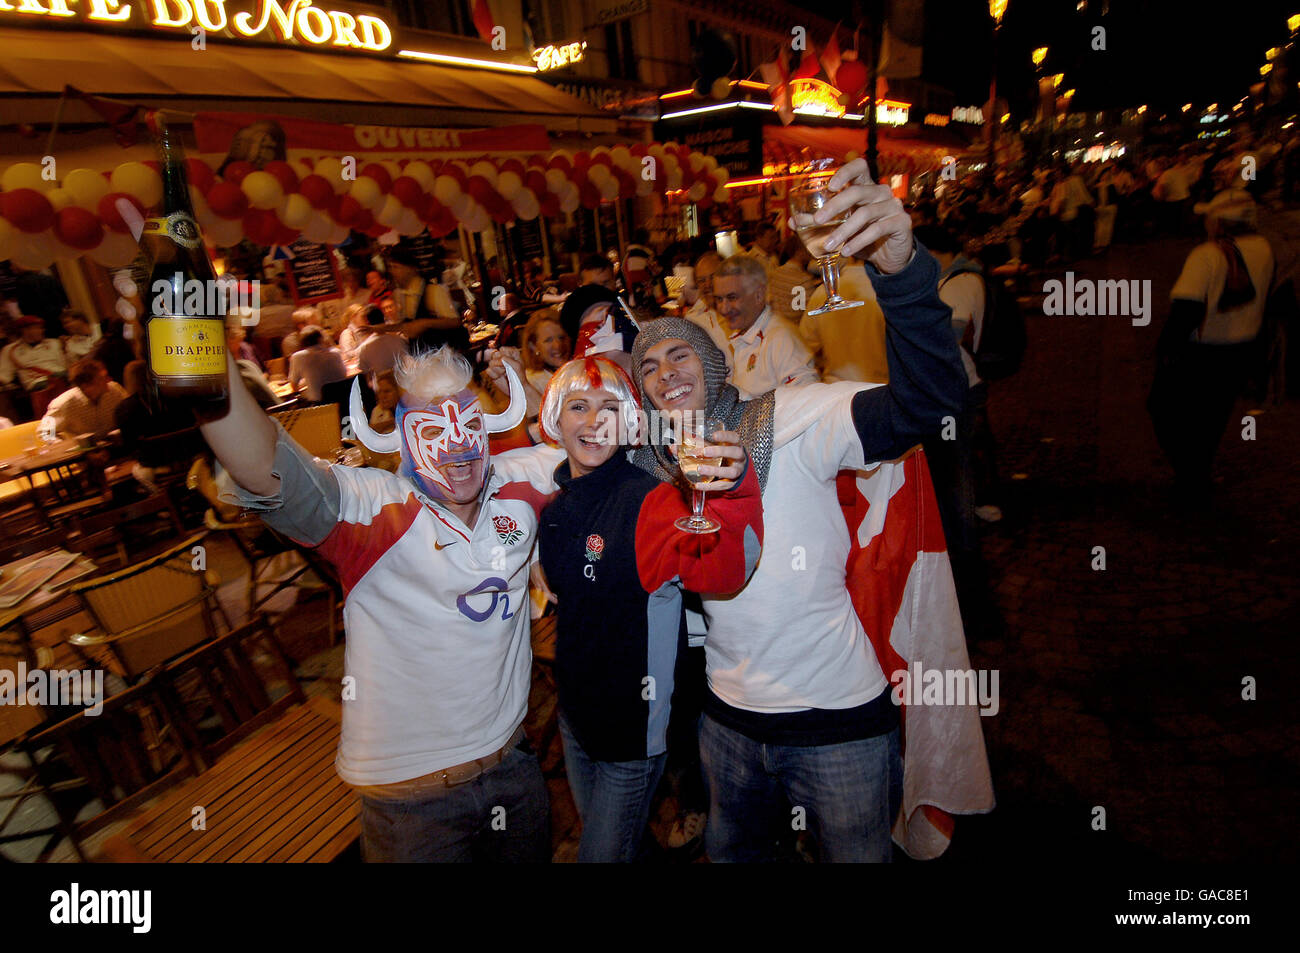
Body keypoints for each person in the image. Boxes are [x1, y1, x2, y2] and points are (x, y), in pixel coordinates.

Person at [629, 157, 976, 862]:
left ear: (716, 366)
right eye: (649, 367)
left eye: (681, 355)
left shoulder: (787, 415)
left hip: (838, 719)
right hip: (725, 725)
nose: (666, 372)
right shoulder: (655, 468)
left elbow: (927, 405)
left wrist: (902, 272)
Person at [203, 345, 554, 862]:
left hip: (513, 769)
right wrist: (203, 355)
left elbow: (601, 434)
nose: (457, 447)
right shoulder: (374, 506)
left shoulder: (517, 481)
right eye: (433, 432)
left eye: (468, 425)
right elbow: (263, 468)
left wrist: (531, 395)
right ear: (403, 442)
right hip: (413, 804)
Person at [523, 355, 761, 861]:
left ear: (629, 420)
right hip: (574, 718)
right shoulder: (557, 508)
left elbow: (724, 571)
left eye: (609, 408)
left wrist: (734, 490)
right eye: (578, 406)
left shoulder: (653, 501)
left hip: (632, 733)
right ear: (554, 420)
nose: (592, 421)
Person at [1151, 190, 1273, 500]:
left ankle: (1189, 474)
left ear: (1219, 222)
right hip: (1242, 345)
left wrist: (1166, 349)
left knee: (1164, 408)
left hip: (1204, 350)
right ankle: (1199, 473)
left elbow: (1187, 308)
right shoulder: (1263, 248)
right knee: (1214, 415)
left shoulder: (1207, 254)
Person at [711, 254, 817, 399]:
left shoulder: (781, 338)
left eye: (732, 298)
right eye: (719, 299)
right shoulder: (743, 334)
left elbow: (809, 401)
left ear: (759, 295)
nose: (724, 308)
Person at [115, 360, 205, 491]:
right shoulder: (177, 395)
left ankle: (167, 502)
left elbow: (130, 445)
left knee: (138, 472)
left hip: (155, 463)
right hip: (191, 455)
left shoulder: (124, 409)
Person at [800, 262, 889, 385]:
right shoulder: (889, 293)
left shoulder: (822, 293)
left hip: (836, 390)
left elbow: (804, 347)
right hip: (881, 388)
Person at [388, 250, 467, 355]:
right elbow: (408, 326)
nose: (392, 272)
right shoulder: (401, 295)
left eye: (396, 267)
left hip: (444, 356)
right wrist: (380, 329)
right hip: (422, 359)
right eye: (391, 267)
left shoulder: (432, 290)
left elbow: (455, 322)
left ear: (410, 269)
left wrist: (425, 323)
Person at [41, 357, 126, 441]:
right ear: (87, 386)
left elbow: (131, 414)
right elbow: (45, 434)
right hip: (82, 451)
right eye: (102, 378)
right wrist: (68, 446)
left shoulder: (115, 390)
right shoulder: (63, 404)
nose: (109, 379)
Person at [1, 315, 68, 417]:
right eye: (36, 328)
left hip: (62, 377)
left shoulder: (54, 343)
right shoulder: (10, 350)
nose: (41, 331)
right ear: (24, 330)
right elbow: (4, 377)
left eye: (41, 328)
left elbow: (64, 365)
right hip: (38, 383)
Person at [517, 309, 572, 421]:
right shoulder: (530, 382)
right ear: (534, 346)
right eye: (548, 340)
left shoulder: (577, 369)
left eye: (561, 337)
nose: (558, 346)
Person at [287, 328, 347, 403]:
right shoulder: (336, 353)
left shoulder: (298, 357)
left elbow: (294, 384)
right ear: (321, 339)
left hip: (320, 404)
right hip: (344, 399)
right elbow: (344, 374)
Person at [767, 236, 816, 326]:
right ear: (800, 252)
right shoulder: (803, 280)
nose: (812, 254)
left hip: (775, 326)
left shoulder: (775, 273)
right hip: (794, 329)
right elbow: (808, 313)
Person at [355, 306, 409, 381]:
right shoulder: (400, 340)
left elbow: (365, 373)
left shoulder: (365, 348)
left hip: (383, 386)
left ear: (366, 322)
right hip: (405, 382)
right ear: (384, 317)